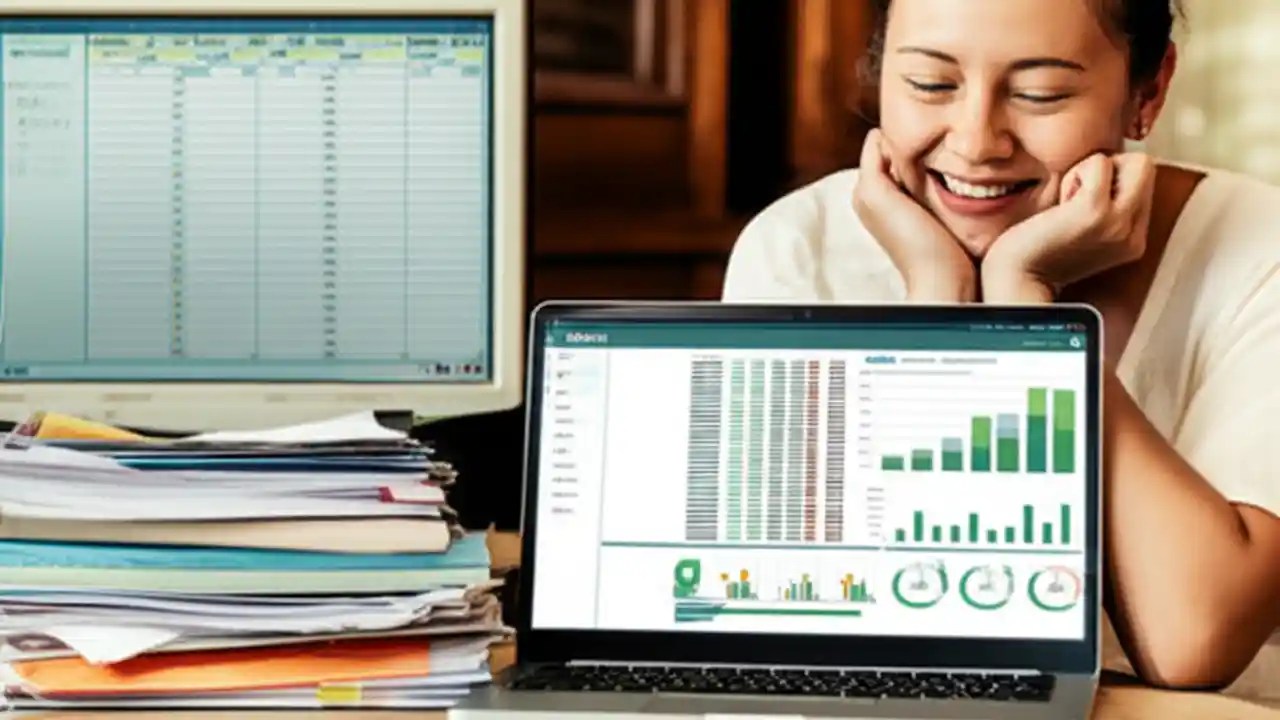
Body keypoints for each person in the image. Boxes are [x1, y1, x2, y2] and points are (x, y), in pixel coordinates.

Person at [722, 0, 1280, 697]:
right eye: (930, 84)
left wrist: (1029, 310)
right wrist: (937, 292)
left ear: (1149, 92)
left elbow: (1191, 641)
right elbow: (848, 617)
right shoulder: (799, 247)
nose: (977, 141)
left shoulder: (1261, 253)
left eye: (1038, 94)